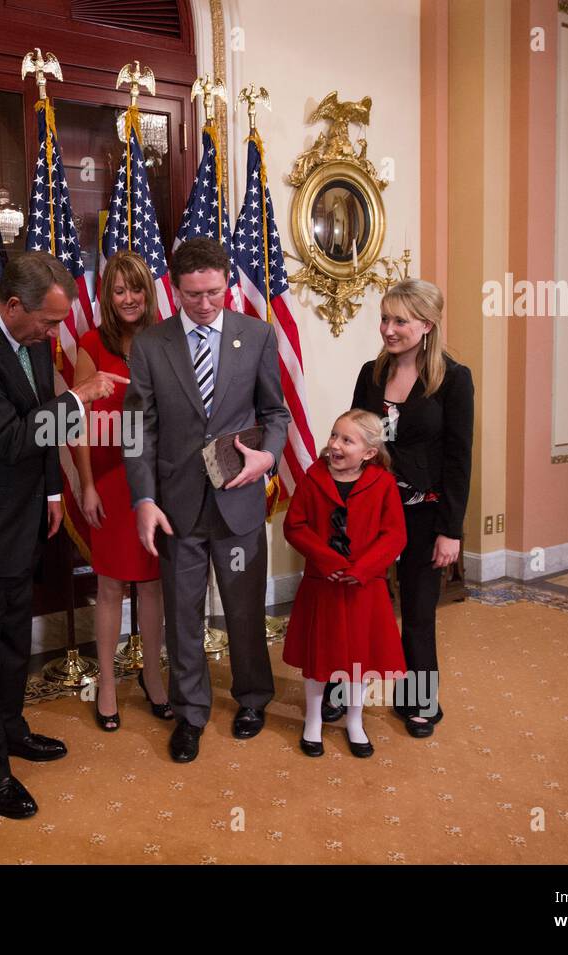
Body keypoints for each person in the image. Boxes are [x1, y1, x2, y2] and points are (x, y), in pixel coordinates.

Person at [0, 251, 124, 818]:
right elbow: (12, 438)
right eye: (50, 322)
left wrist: (52, 493)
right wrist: (78, 399)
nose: (55, 333)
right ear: (14, 305)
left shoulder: (29, 335)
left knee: (13, 642)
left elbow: (37, 421)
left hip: (23, 519)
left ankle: (11, 730)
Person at [124, 236, 290, 763]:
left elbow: (276, 414)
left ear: (229, 285)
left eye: (214, 292)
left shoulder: (257, 335)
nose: (205, 304)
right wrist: (144, 499)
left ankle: (252, 698)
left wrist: (270, 458)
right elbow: (136, 429)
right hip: (177, 507)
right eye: (193, 295)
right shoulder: (151, 345)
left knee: (244, 608)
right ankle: (190, 713)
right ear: (174, 290)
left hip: (237, 497)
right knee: (184, 614)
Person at [348, 278, 474, 738]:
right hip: (373, 512)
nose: (388, 329)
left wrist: (451, 530)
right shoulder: (370, 373)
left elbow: (460, 458)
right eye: (385, 318)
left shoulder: (454, 379)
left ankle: (420, 701)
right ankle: (354, 694)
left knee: (419, 611)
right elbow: (357, 440)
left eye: (400, 320)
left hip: (426, 514)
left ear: (427, 324)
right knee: (366, 606)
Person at [71, 251, 170, 731]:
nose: (128, 298)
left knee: (152, 585)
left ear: (147, 292)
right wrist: (87, 485)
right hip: (109, 480)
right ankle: (107, 683)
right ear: (107, 296)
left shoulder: (166, 337)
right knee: (110, 585)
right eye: (118, 290)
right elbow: (77, 422)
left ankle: (154, 676)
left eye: (136, 288)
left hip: (154, 481)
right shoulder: (90, 342)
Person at [282, 410, 407, 758]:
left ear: (368, 452)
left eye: (346, 440)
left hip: (363, 589)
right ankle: (313, 722)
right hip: (323, 584)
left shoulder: (383, 484)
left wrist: (362, 569)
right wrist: (329, 560)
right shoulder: (313, 476)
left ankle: (355, 720)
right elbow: (295, 526)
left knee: (358, 660)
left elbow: (394, 535)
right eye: (334, 435)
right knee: (319, 657)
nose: (335, 445)